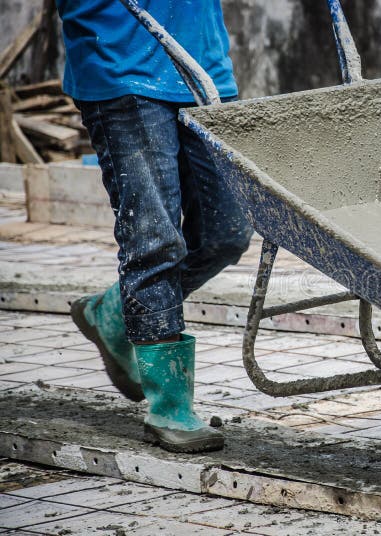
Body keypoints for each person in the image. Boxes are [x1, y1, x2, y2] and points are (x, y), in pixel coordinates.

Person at [56, 0, 253, 453]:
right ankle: (169, 405)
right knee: (154, 239)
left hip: (203, 68)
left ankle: (113, 312)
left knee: (227, 235)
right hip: (121, 64)